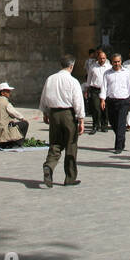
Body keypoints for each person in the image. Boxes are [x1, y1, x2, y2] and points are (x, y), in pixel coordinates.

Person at [39, 55, 85, 187]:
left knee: (55, 143)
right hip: (67, 114)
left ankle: (49, 166)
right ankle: (70, 178)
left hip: (54, 114)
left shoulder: (50, 79)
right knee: (71, 144)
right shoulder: (73, 81)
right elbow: (78, 101)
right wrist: (81, 119)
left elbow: (44, 97)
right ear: (71, 66)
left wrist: (45, 112)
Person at [100, 53, 130, 154]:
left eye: (118, 61)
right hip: (111, 101)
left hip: (124, 101)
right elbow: (104, 87)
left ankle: (118, 146)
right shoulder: (107, 73)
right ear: (112, 62)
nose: (116, 64)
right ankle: (121, 138)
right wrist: (102, 99)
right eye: (114, 62)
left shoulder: (127, 73)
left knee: (121, 123)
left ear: (121, 61)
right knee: (113, 123)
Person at [0, 82, 30, 149]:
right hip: (4, 131)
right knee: (25, 123)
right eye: (7, 91)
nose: (9, 93)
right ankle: (16, 143)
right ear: (2, 93)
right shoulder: (6, 103)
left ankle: (1, 143)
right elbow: (14, 113)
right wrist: (23, 118)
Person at [84, 49, 110, 133]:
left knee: (105, 109)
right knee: (96, 108)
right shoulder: (93, 67)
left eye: (104, 58)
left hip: (105, 90)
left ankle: (104, 125)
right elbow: (89, 79)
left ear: (106, 58)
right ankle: (95, 125)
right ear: (98, 58)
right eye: (100, 58)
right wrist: (86, 90)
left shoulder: (109, 67)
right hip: (95, 90)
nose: (102, 60)